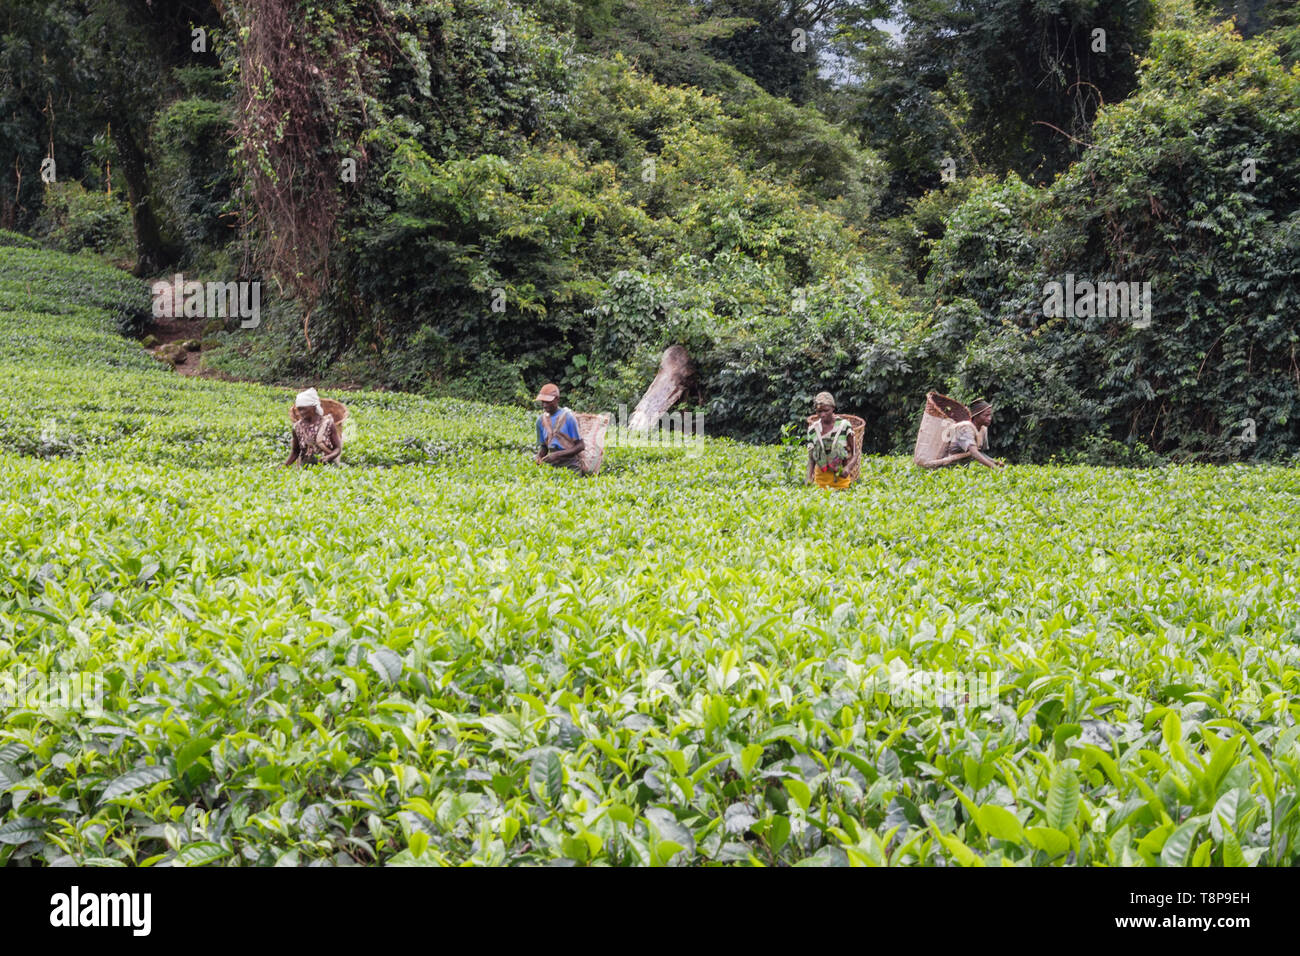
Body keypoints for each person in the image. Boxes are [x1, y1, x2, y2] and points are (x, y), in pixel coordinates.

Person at [926, 399, 1004, 469]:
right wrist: (994, 468)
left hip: (962, 468)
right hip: (947, 468)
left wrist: (994, 462)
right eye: (986, 415)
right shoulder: (965, 428)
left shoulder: (983, 429)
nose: (989, 418)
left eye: (990, 415)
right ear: (976, 416)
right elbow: (974, 453)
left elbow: (979, 452)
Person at [805, 391, 860, 489]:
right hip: (820, 482)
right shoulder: (813, 429)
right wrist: (809, 478)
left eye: (826, 410)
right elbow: (811, 458)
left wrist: (848, 468)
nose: (822, 415)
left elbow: (855, 452)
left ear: (833, 408)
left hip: (841, 482)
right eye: (819, 412)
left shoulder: (844, 426)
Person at [535, 382, 586, 473]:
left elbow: (581, 445)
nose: (545, 405)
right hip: (552, 466)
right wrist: (539, 456)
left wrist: (558, 454)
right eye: (543, 402)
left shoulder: (568, 417)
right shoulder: (540, 421)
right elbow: (544, 447)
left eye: (548, 402)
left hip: (571, 465)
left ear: (557, 399)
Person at [284, 388, 342, 466]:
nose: (301, 412)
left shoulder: (328, 423)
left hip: (327, 465)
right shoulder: (297, 427)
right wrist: (284, 466)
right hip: (306, 466)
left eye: (304, 409)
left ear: (314, 407)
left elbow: (337, 448)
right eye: (299, 410)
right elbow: (295, 452)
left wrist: (329, 457)